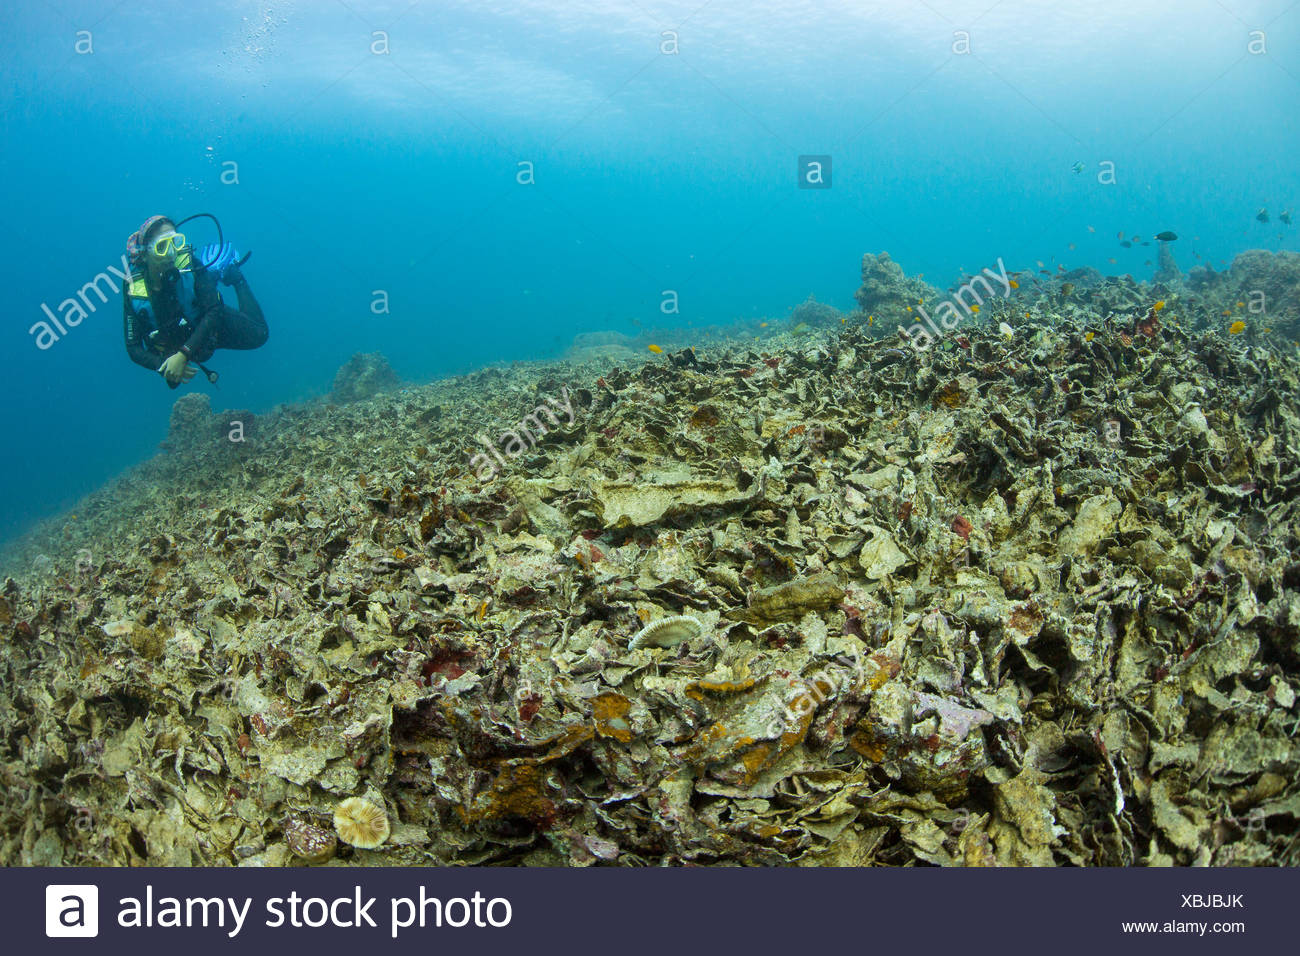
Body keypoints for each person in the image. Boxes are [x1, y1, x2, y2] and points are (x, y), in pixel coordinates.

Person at [123, 215, 268, 387]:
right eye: (161, 247)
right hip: (179, 337)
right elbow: (133, 347)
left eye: (175, 242)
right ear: (144, 254)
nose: (171, 254)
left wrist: (184, 354)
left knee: (260, 335)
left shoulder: (189, 263)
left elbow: (214, 310)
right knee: (172, 381)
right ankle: (212, 274)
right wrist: (162, 365)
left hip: (211, 325)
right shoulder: (133, 288)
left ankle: (233, 276)